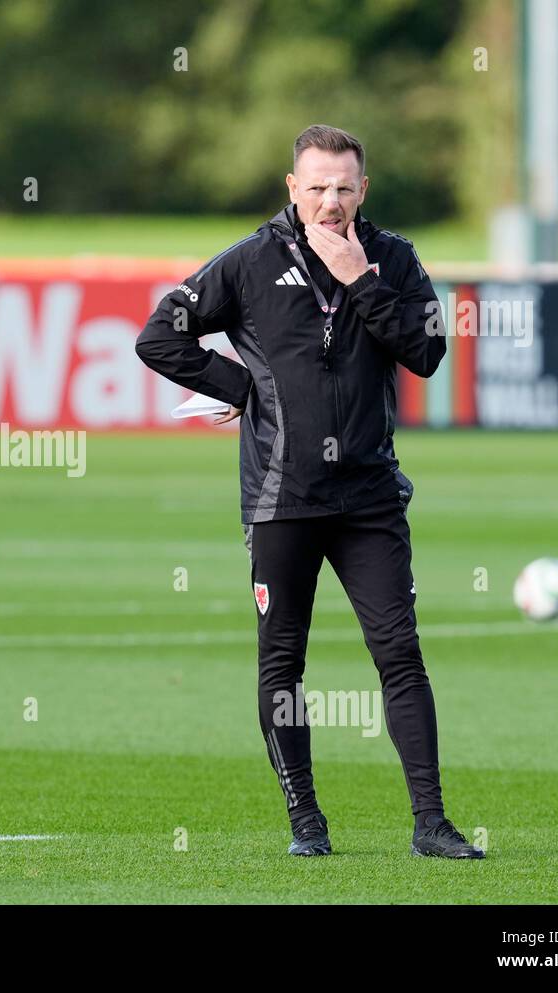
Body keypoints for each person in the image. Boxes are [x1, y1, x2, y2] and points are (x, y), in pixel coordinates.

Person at [136, 124, 482, 859]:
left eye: (344, 186)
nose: (330, 200)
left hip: (368, 498)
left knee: (400, 652)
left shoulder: (393, 258)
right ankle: (306, 821)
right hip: (280, 497)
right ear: (292, 188)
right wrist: (242, 388)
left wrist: (362, 279)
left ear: (364, 189)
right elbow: (159, 336)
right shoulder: (251, 261)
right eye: (317, 186)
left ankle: (431, 821)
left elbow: (425, 352)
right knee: (282, 658)